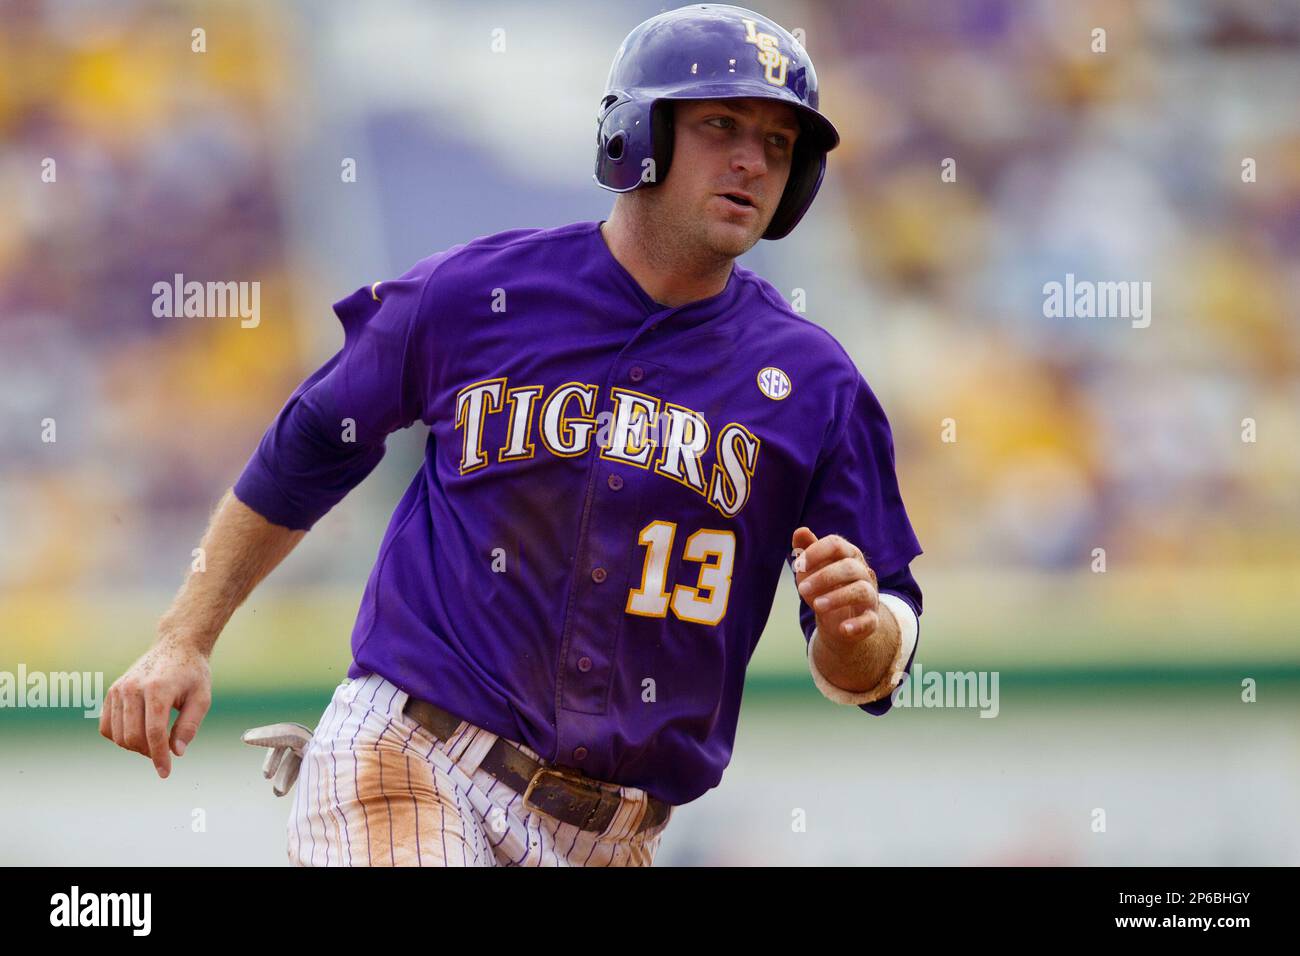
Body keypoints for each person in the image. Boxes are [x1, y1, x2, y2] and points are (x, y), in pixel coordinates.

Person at [99, 3, 924, 867]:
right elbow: (310, 445)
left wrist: (858, 631)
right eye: (722, 124)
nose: (753, 160)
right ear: (636, 135)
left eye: (779, 143)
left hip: (615, 837)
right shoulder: (477, 295)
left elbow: (879, 646)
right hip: (411, 758)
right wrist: (184, 636)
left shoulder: (816, 384)